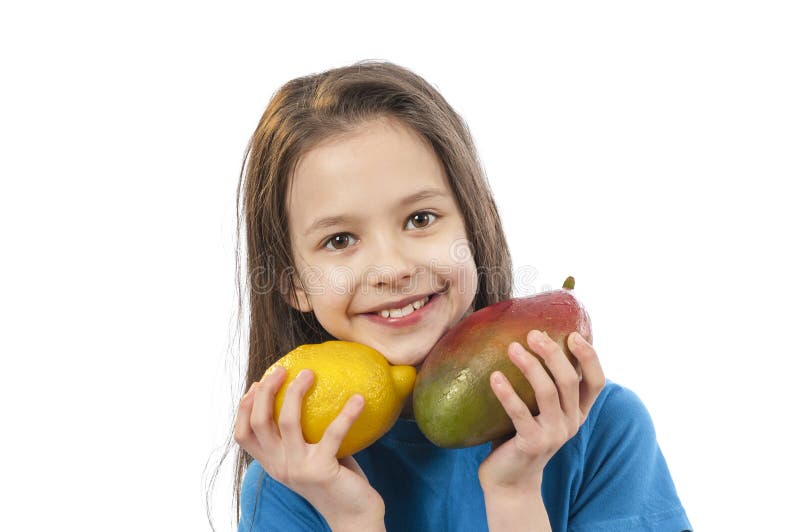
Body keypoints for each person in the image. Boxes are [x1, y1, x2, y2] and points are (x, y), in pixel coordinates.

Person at [229, 60, 692, 531]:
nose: (393, 270)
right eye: (340, 240)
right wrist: (351, 517)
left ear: (477, 222)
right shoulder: (293, 477)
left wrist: (515, 493)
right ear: (293, 283)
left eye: (420, 219)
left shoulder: (606, 431)